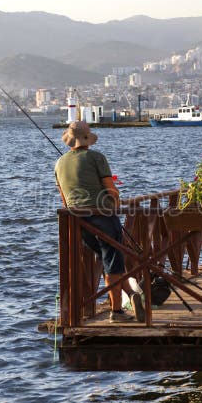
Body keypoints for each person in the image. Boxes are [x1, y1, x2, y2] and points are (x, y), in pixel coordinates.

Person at [54, 121, 145, 323]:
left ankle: (130, 294)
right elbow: (110, 188)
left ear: (70, 140)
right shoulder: (96, 157)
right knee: (113, 261)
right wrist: (117, 203)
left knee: (108, 263)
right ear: (87, 139)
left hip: (78, 221)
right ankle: (117, 312)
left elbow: (64, 198)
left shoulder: (59, 163)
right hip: (102, 216)